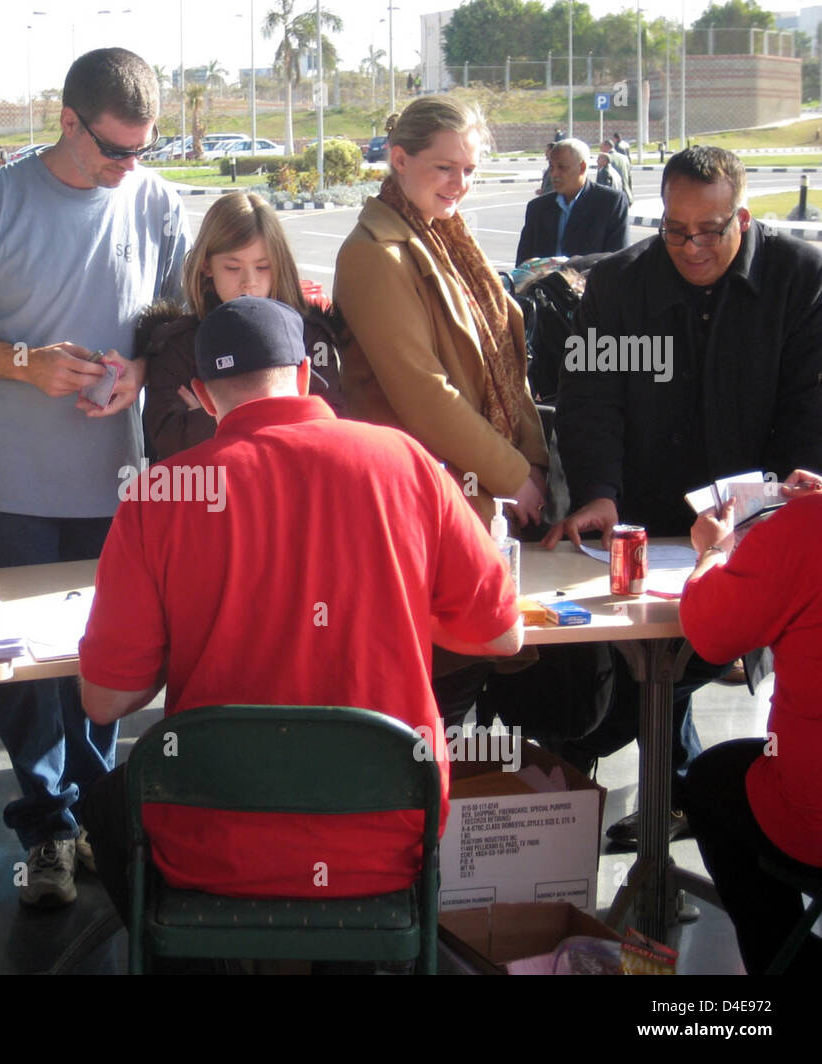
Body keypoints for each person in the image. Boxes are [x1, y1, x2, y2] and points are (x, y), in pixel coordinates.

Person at [76, 296, 523, 919]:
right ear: (307, 375)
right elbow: (502, 637)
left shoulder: (158, 495)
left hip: (214, 839)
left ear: (204, 397)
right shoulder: (408, 462)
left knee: (106, 803)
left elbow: (104, 701)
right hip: (391, 833)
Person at [0, 47, 188, 908]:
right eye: (114, 149)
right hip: (7, 484)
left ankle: (101, 814)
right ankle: (46, 827)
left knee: (107, 657)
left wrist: (143, 372)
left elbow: (181, 321)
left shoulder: (158, 203)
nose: (128, 167)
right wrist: (23, 362)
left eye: (143, 150)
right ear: (66, 121)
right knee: (27, 673)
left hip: (115, 481)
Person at [543, 145, 822, 846]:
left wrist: (778, 514)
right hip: (645, 516)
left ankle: (677, 802)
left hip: (755, 525)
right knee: (645, 677)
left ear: (746, 218)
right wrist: (598, 492)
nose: (692, 246)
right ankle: (672, 800)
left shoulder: (801, 279)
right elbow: (589, 396)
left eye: (712, 229)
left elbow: (809, 404)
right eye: (674, 229)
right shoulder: (619, 284)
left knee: (693, 665)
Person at [334, 94, 548, 725]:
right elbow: (424, 393)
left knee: (464, 702)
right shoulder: (377, 250)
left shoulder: (444, 239)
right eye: (444, 168)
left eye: (470, 170)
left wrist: (532, 465)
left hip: (472, 499)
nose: (460, 183)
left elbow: (506, 368)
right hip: (423, 508)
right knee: (433, 707)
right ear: (399, 160)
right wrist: (516, 475)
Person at [678, 468, 822, 974]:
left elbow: (712, 633)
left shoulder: (807, 525)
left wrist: (713, 551)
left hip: (812, 811)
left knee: (707, 784)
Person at [139, 190, 344, 460]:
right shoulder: (177, 345)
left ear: (280, 264)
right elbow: (168, 446)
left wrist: (214, 413)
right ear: (206, 266)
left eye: (263, 267)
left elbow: (330, 429)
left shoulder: (310, 336)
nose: (249, 282)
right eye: (233, 268)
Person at [515, 139, 629, 264]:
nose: (554, 174)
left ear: (582, 167)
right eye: (552, 167)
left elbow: (618, 262)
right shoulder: (537, 208)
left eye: (562, 167)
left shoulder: (610, 203)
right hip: (543, 282)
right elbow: (522, 265)